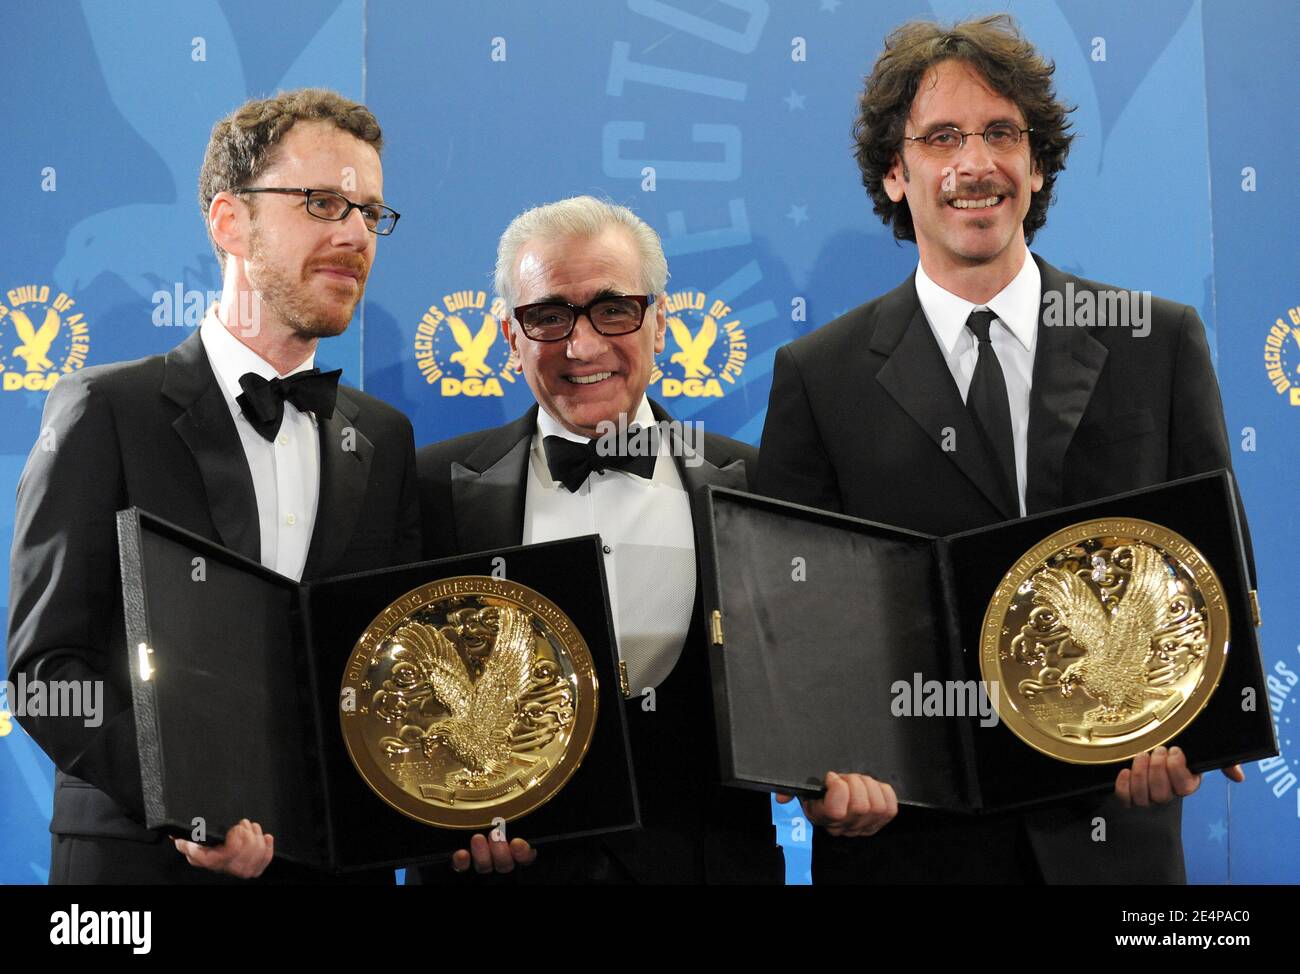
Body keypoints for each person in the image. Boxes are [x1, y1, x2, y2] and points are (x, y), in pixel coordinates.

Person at [757, 15, 1248, 883]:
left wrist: (1196, 727)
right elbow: (791, 618)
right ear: (894, 173)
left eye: (1000, 134)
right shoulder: (818, 375)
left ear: (1039, 163)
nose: (973, 163)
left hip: (1115, 835)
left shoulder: (1153, 341)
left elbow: (1215, 569)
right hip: (912, 846)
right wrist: (818, 777)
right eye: (941, 137)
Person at [7, 88, 422, 884]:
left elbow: (384, 672)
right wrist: (184, 804)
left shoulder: (384, 439)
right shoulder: (106, 411)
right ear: (229, 221)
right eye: (323, 202)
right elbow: (47, 670)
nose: (355, 234)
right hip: (139, 870)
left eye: (371, 212)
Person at [414, 195, 791, 882]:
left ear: (660, 322)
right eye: (548, 316)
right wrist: (453, 816)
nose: (582, 346)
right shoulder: (429, 488)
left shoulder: (757, 483)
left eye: (613, 308)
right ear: (509, 337)